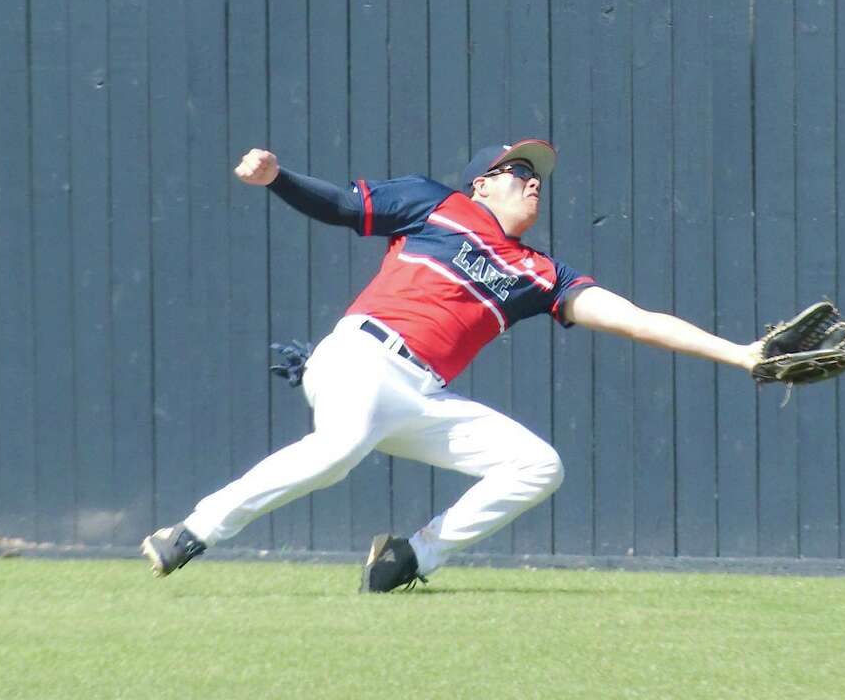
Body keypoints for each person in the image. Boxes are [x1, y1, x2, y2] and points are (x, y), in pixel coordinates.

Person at [141, 139, 768, 592]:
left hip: (419, 395)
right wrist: (278, 177)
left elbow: (639, 320)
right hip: (363, 355)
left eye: (538, 174)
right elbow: (337, 205)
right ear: (480, 185)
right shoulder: (433, 205)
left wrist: (742, 354)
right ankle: (191, 532)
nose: (533, 179)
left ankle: (408, 559)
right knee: (338, 448)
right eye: (517, 169)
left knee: (536, 466)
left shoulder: (540, 274)